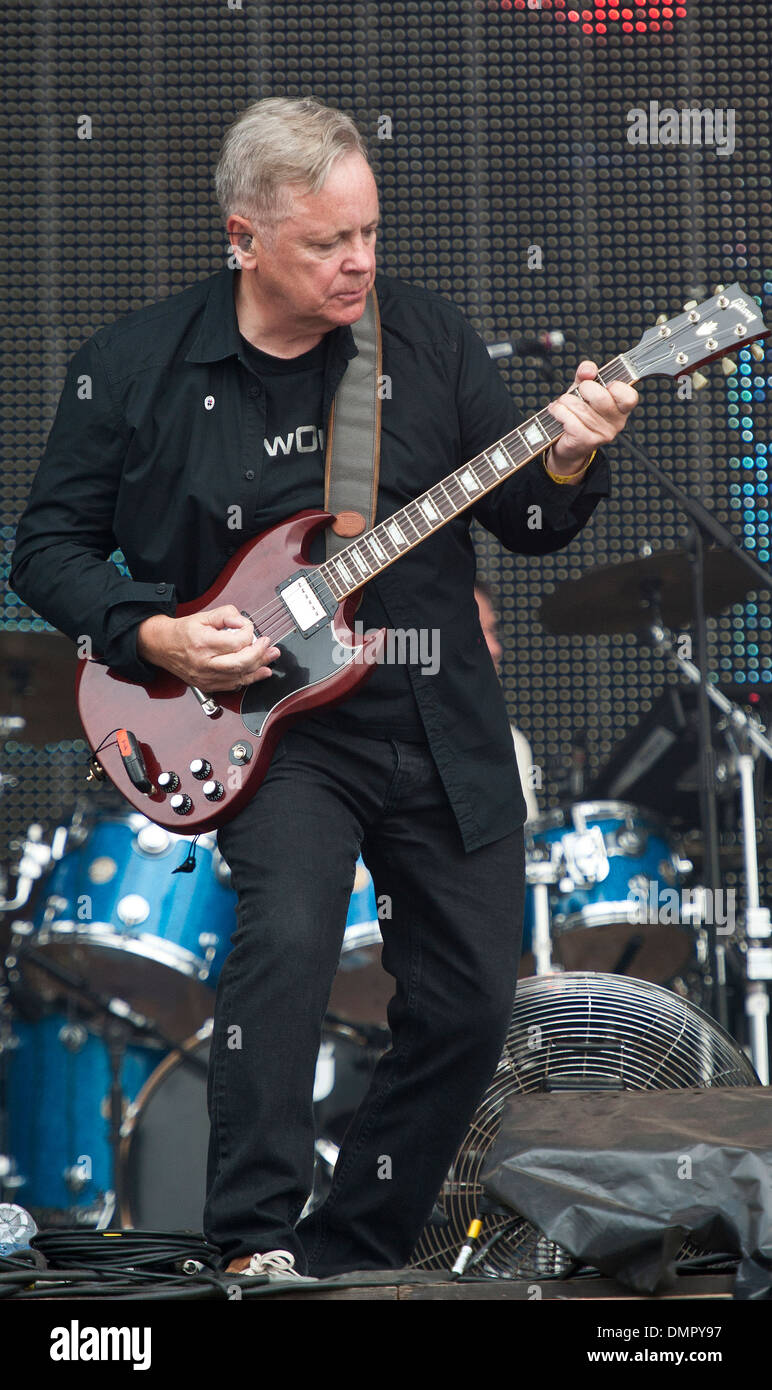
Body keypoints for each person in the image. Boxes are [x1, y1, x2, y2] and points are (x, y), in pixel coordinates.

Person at [10, 97, 638, 1280]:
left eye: (369, 234)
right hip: (268, 728)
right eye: (325, 243)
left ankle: (354, 1253)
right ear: (243, 238)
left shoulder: (430, 344)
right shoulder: (137, 367)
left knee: (464, 1009)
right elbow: (45, 548)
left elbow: (535, 523)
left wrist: (570, 451)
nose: (358, 263)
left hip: (436, 721)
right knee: (288, 944)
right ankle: (252, 1246)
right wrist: (158, 634)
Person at [474, 580, 540, 823]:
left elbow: (526, 850)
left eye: (492, 631)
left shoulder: (512, 744)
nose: (495, 648)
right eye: (478, 631)